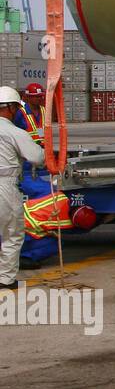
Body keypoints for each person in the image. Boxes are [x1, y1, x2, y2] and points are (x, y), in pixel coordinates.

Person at [0, 86, 46, 292]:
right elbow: (37, 157)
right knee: (12, 233)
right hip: (5, 185)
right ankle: (5, 279)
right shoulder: (14, 132)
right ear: (10, 108)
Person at [16, 83, 46, 149]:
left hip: (43, 150)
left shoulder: (44, 110)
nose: (39, 98)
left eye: (40, 96)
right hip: (27, 151)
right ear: (28, 97)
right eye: (36, 96)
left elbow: (39, 129)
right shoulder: (20, 113)